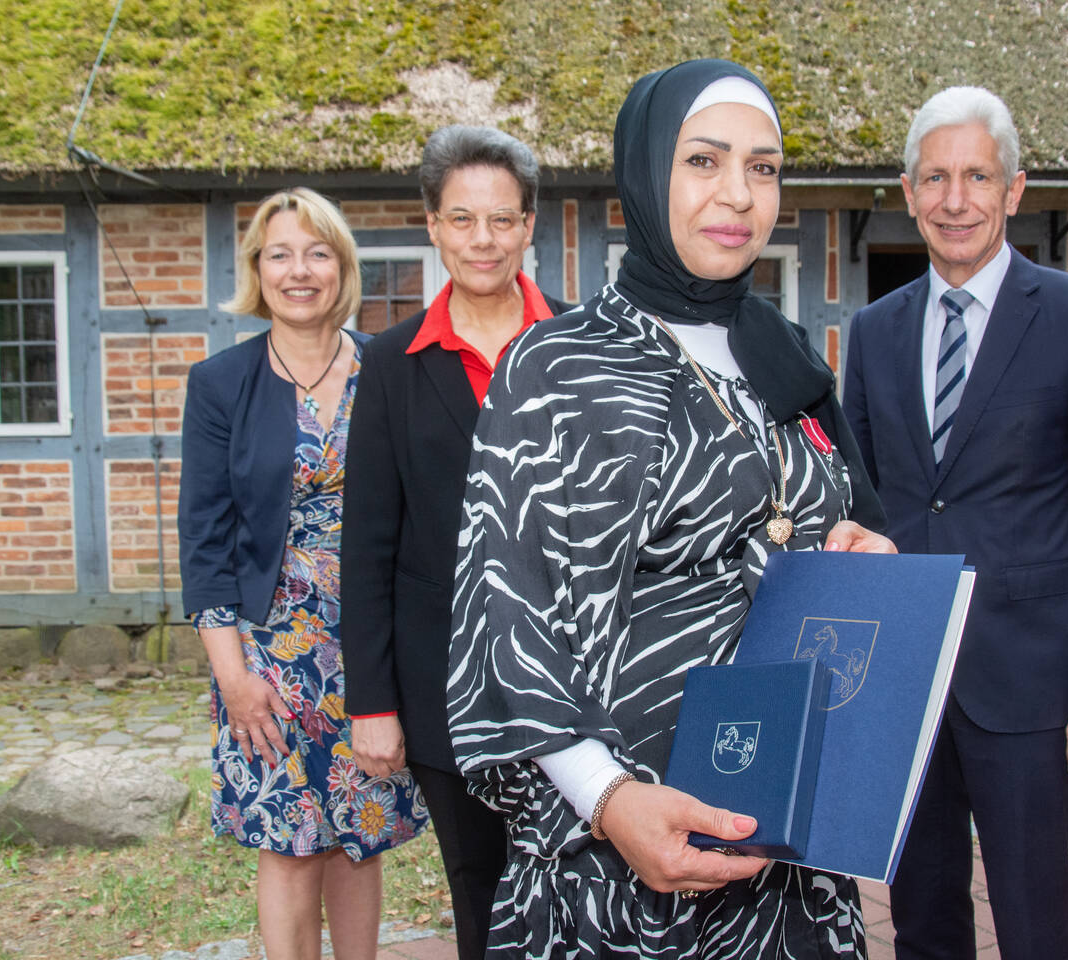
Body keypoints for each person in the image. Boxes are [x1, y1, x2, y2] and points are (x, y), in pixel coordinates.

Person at [446, 59, 894, 958]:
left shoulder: (784, 353)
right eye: (704, 161)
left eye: (763, 168)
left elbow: (837, 520)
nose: (739, 194)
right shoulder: (558, 367)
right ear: (647, 174)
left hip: (781, 835)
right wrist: (610, 803)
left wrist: (860, 550)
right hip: (619, 845)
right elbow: (507, 613)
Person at [841, 86, 1068, 960]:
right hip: (908, 680)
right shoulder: (873, 331)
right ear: (907, 192)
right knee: (923, 917)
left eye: (977, 176)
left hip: (1028, 686)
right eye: (935, 178)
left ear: (1014, 190)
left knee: (1034, 917)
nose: (955, 199)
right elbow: (867, 503)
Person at [178, 187, 427, 960]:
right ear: (259, 268)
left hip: (372, 647)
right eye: (280, 253)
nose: (299, 270)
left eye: (317, 252)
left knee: (360, 834)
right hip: (269, 656)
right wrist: (234, 679)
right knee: (287, 840)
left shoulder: (388, 367)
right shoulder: (222, 384)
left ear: (341, 266)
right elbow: (205, 541)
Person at [340, 125, 569, 960]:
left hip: (576, 674)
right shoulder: (392, 364)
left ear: (528, 225)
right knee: (480, 887)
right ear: (432, 226)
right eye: (463, 220)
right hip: (444, 689)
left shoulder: (582, 347)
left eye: (502, 221)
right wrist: (373, 703)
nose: (484, 240)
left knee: (592, 877)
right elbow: (367, 542)